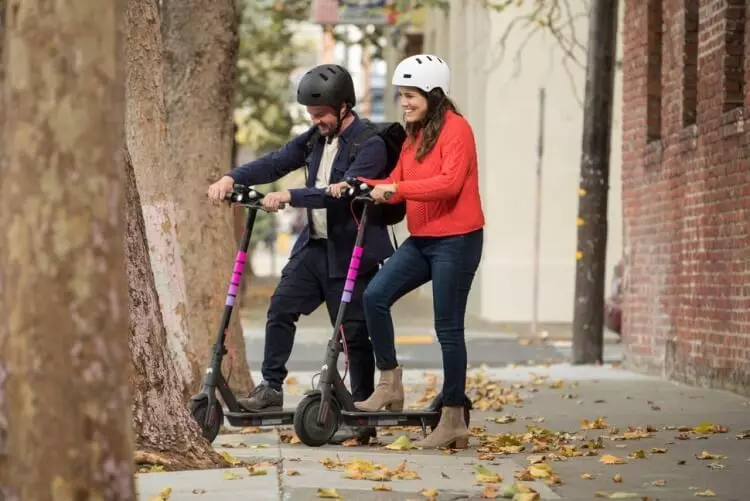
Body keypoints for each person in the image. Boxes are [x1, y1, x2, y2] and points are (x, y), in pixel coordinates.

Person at [207, 64, 394, 444]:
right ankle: (271, 388)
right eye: (311, 114)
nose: (316, 119)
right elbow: (276, 161)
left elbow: (339, 192)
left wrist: (291, 195)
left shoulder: (369, 145)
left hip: (351, 249)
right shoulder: (314, 140)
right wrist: (233, 177)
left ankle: (360, 413)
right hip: (315, 248)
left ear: (344, 106)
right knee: (280, 308)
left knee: (353, 334)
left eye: (321, 112)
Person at [330, 54, 485, 449]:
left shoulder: (457, 130)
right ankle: (390, 384)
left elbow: (448, 184)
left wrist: (396, 190)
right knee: (376, 296)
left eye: (411, 95)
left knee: (448, 328)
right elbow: (396, 179)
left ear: (434, 94)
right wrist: (358, 184)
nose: (405, 103)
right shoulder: (414, 134)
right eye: (402, 95)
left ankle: (453, 419)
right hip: (423, 239)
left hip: (457, 240)